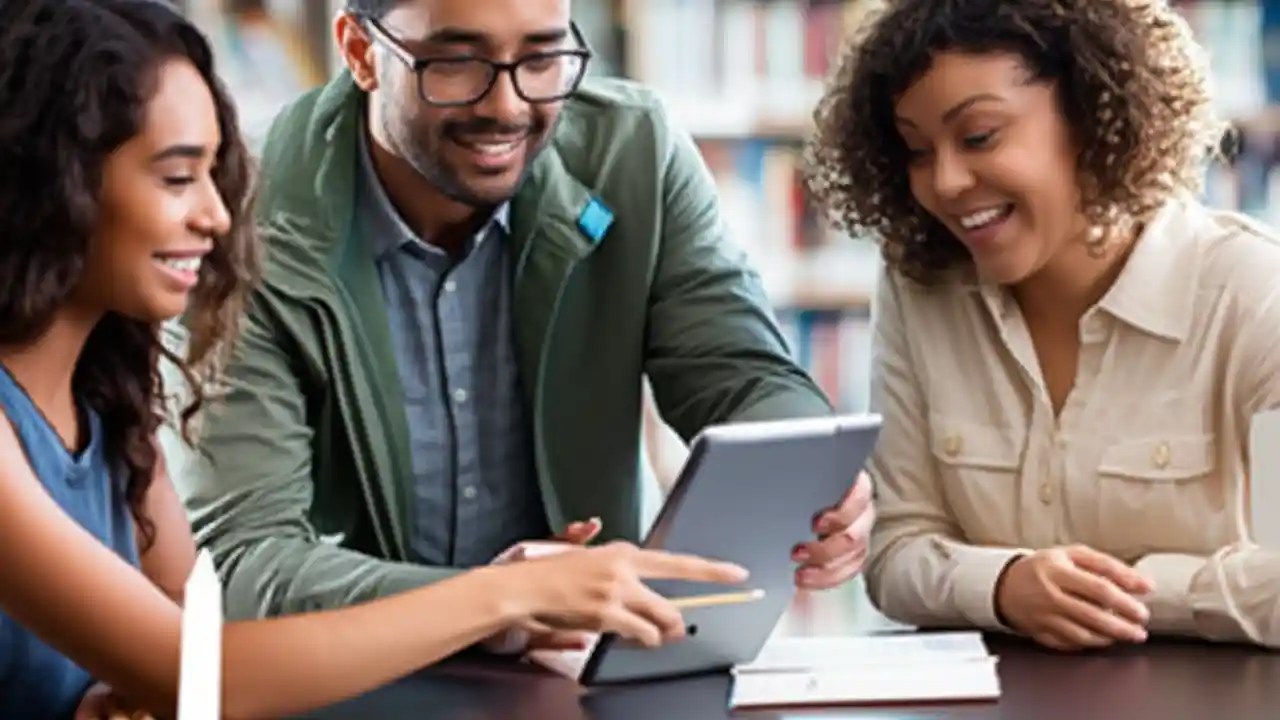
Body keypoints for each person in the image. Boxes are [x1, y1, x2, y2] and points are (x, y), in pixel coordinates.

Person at [0, 2, 754, 718]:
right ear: (53, 180)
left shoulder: (111, 401)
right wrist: (509, 595)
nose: (220, 215)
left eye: (211, 172)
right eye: (177, 177)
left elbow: (192, 655)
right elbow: (211, 676)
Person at [178, 0, 876, 635]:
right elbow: (242, 566)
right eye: (457, 63)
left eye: (542, 59)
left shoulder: (633, 153)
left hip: (583, 677)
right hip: (351, 693)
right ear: (360, 52)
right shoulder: (241, 218)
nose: (508, 106)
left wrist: (805, 465)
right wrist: (500, 600)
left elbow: (742, 375)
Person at [805, 0, 1280, 651]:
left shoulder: (1252, 294)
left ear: (1089, 114)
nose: (943, 182)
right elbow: (896, 552)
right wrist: (1005, 585)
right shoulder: (920, 289)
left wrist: (1128, 594)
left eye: (979, 137)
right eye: (916, 150)